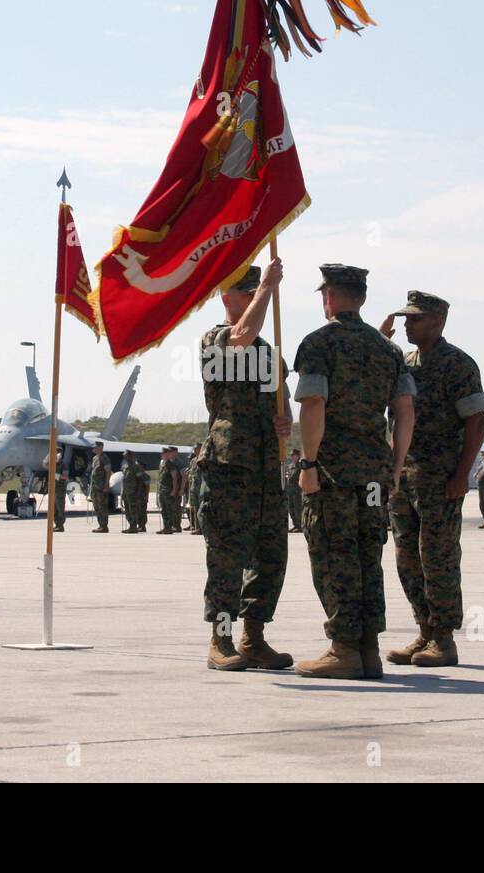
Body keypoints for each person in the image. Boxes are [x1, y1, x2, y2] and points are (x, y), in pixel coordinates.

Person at [293, 265, 415, 680]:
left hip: (334, 471)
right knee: (368, 556)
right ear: (361, 297)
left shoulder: (318, 343)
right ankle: (367, 648)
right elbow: (404, 412)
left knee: (333, 554)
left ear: (328, 296)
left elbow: (312, 405)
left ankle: (344, 647)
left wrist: (308, 463)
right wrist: (396, 468)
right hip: (376, 474)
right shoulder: (388, 351)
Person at [379, 291, 484, 668]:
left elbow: (477, 421)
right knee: (407, 556)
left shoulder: (457, 364)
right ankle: (424, 630)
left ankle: (443, 638)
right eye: (406, 318)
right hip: (404, 476)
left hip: (440, 477)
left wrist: (463, 475)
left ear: (437, 322)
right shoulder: (404, 363)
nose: (407, 324)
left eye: (415, 319)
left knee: (437, 556)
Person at [198, 260, 294, 671]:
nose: (256, 298)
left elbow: (281, 395)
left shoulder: (269, 352)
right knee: (227, 554)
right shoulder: (217, 339)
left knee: (271, 553)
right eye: (249, 292)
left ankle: (253, 637)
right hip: (228, 464)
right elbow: (241, 336)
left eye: (257, 291)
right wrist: (268, 289)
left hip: (267, 464)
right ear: (227, 297)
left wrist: (285, 420)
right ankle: (220, 640)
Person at [89, 442, 112, 534]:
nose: (94, 449)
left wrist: (106, 485)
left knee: (102, 506)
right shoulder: (94, 458)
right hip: (95, 486)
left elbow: (108, 471)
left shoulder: (104, 458)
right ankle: (100, 525)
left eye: (96, 447)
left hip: (102, 486)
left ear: (101, 448)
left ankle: (104, 526)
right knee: (96, 506)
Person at [156, 448, 179, 534]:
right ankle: (166, 527)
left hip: (168, 491)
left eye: (163, 453)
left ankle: (169, 527)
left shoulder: (170, 465)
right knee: (163, 510)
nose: (162, 455)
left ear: (168, 454)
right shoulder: (162, 464)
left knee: (169, 510)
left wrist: (174, 490)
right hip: (162, 491)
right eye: (161, 454)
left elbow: (175, 478)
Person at [121, 450, 142, 534]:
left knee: (133, 510)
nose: (125, 457)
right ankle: (131, 526)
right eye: (124, 456)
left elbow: (140, 480)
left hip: (133, 492)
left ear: (130, 456)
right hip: (126, 493)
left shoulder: (136, 467)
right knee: (127, 511)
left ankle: (133, 527)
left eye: (126, 456)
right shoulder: (125, 467)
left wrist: (138, 492)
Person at [283, 449, 303, 533]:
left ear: (298, 456)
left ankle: (300, 526)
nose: (292, 457)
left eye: (294, 455)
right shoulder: (291, 466)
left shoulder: (300, 466)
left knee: (297, 509)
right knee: (291, 509)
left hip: (297, 491)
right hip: (290, 491)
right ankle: (295, 525)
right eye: (292, 455)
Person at [186, 444, 204, 534]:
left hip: (201, 487)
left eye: (197, 449)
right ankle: (197, 527)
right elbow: (192, 473)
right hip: (194, 487)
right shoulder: (193, 461)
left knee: (202, 509)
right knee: (195, 508)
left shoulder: (204, 459)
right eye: (195, 449)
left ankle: (202, 527)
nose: (196, 451)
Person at [51, 449, 67, 532]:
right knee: (54, 508)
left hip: (60, 490)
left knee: (60, 508)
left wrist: (55, 476)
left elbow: (65, 476)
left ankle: (60, 525)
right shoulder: (53, 464)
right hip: (54, 489)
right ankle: (57, 524)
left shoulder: (63, 465)